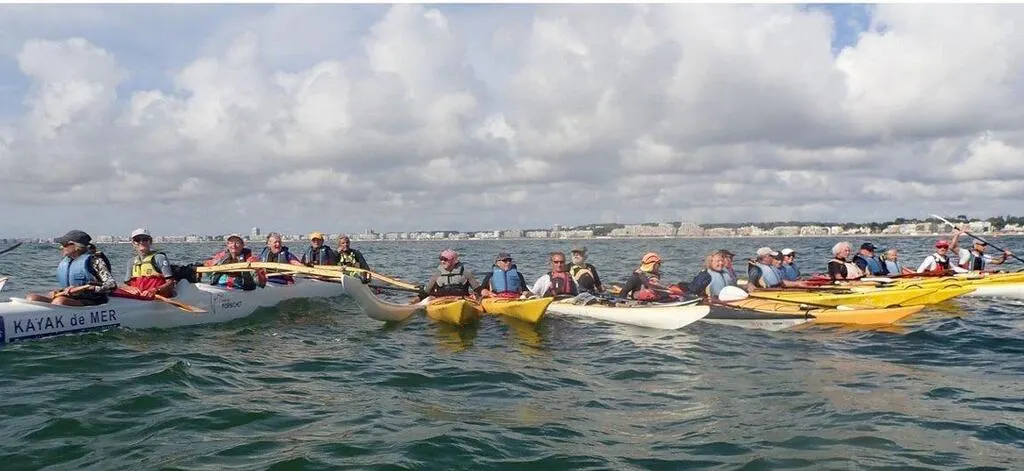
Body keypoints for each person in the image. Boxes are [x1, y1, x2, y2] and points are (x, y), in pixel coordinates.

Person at [26, 230, 117, 306]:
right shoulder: (68, 261)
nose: (61, 247)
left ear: (77, 247)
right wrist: (61, 291)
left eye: (65, 244)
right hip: (71, 297)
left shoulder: (95, 261)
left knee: (59, 302)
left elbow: (111, 285)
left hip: (93, 300)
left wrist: (86, 288)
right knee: (32, 298)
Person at [116, 228, 175, 300]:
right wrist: (129, 288)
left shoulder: (159, 258)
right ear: (133, 243)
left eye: (145, 239)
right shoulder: (131, 262)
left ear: (150, 241)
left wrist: (155, 290)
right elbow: (126, 284)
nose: (141, 242)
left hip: (157, 298)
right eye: (137, 240)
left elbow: (170, 283)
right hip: (138, 298)